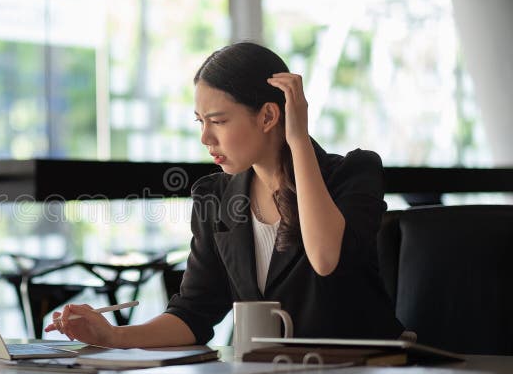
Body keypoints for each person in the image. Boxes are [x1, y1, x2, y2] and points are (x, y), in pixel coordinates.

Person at [44, 41, 405, 347]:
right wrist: (113, 336)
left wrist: (297, 141)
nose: (206, 138)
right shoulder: (215, 199)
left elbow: (326, 258)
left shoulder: (354, 174)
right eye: (201, 122)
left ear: (268, 116)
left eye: (218, 121)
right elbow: (194, 313)